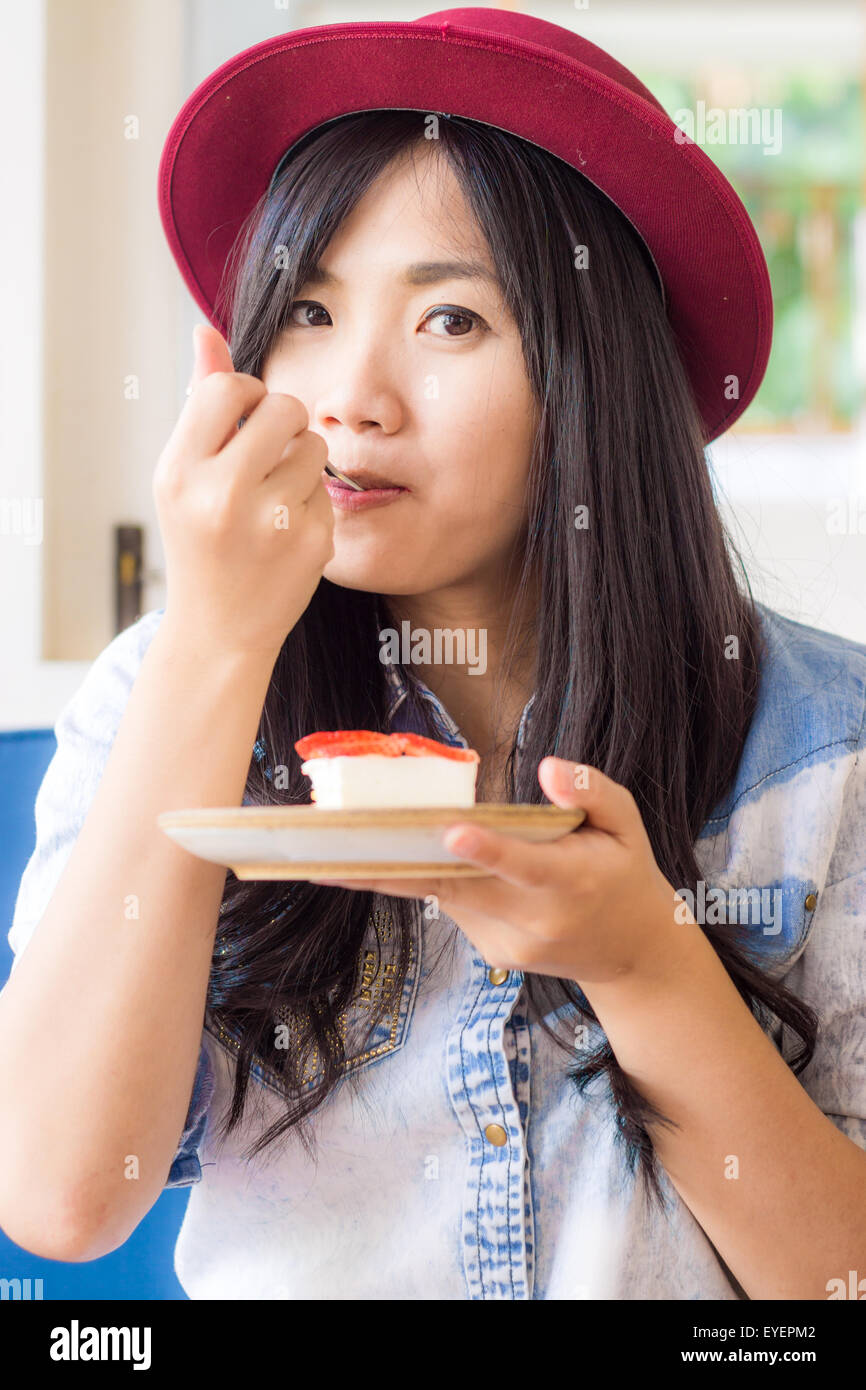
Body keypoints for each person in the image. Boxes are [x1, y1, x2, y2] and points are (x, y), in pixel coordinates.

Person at [2, 8, 865, 1301]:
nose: (349, 394)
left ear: (594, 380)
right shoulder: (162, 688)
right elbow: (58, 1197)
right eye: (303, 309)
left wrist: (642, 964)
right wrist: (215, 636)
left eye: (448, 320)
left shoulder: (822, 742)